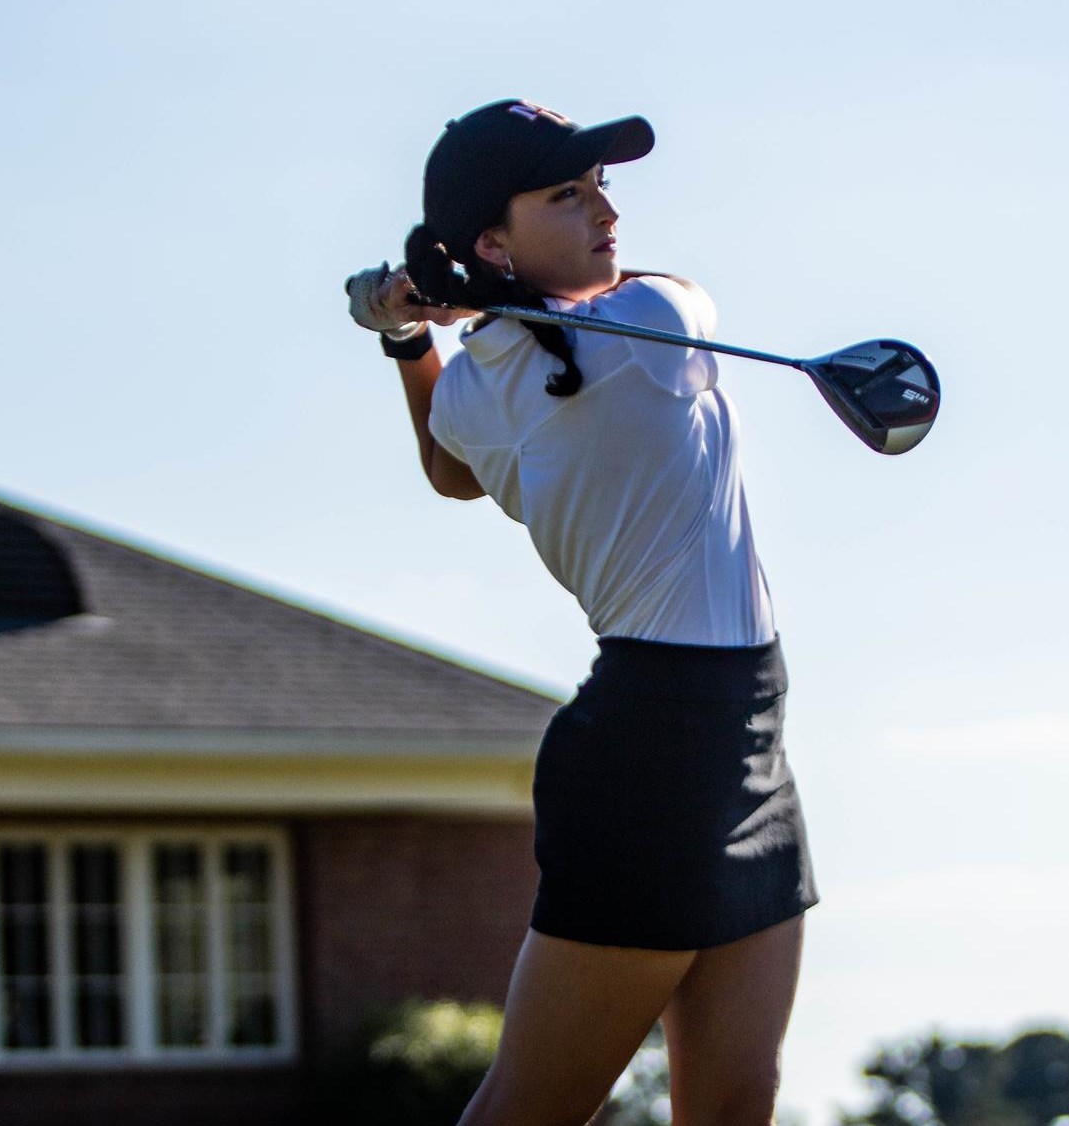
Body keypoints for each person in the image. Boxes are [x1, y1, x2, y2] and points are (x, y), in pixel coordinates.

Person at [344, 99, 818, 1126]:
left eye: (602, 186)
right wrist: (455, 307)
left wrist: (406, 336)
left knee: (736, 1103)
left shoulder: (473, 385)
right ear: (490, 238)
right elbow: (672, 294)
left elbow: (446, 465)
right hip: (657, 747)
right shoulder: (649, 323)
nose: (603, 210)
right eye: (566, 193)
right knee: (534, 1106)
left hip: (734, 736)